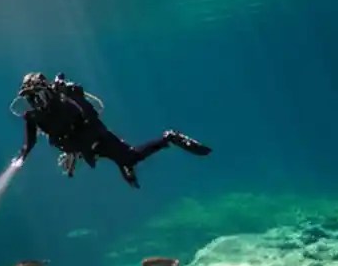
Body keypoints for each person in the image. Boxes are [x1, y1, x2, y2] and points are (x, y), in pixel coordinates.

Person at [11, 72, 211, 188]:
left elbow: (90, 114)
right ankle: (124, 164)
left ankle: (169, 138)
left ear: (46, 90)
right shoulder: (32, 116)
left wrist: (71, 93)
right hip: (80, 148)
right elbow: (30, 143)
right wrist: (20, 158)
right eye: (30, 97)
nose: (35, 101)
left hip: (97, 138)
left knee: (131, 157)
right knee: (123, 161)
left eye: (37, 95)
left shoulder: (66, 96)